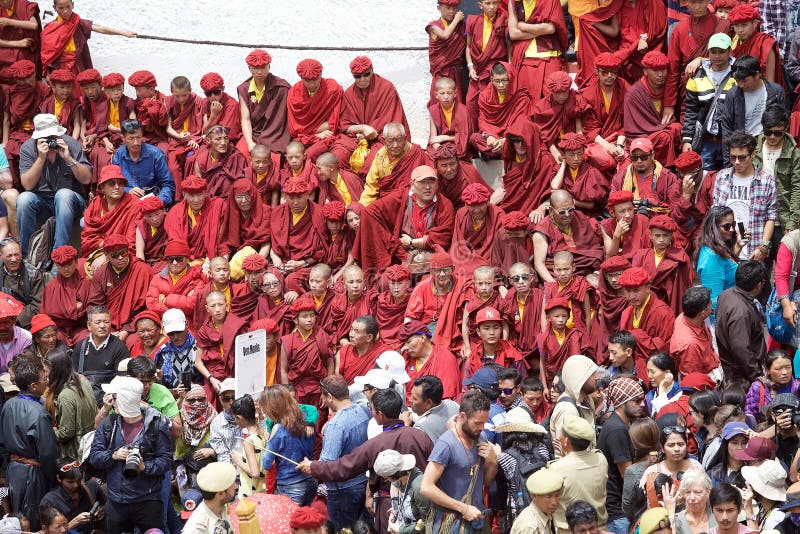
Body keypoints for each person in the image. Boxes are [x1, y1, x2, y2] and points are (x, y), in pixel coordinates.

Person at [297, 388, 434, 534]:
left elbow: (344, 467)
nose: (371, 412)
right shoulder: (420, 436)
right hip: (425, 501)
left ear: (379, 414)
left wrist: (314, 467)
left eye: (372, 409)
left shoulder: (376, 444)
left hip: (389, 505)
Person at [89, 376, 172, 532]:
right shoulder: (108, 424)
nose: (111, 401)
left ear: (124, 400)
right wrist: (113, 455)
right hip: (116, 502)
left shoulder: (156, 425)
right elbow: (95, 457)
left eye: (114, 397)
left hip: (148, 501)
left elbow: (166, 460)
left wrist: (144, 466)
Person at [352, 165, 454, 278]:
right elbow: (370, 212)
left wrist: (411, 242)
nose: (428, 187)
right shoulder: (402, 196)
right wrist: (390, 240)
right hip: (405, 254)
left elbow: (443, 237)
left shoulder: (445, 204)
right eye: (422, 183)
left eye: (432, 182)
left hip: (431, 254)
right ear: (412, 185)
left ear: (437, 184)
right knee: (386, 282)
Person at [420, 390, 497, 533]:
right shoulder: (446, 444)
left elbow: (484, 482)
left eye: (484, 423)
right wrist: (463, 508)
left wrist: (493, 461)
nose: (481, 428)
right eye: (478, 423)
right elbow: (426, 487)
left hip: (476, 521)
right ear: (462, 416)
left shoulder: (481, 438)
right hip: (451, 523)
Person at [17, 113, 91, 255]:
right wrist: (40, 157)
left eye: (53, 137)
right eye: (46, 138)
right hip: (42, 201)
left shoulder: (71, 144)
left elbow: (87, 179)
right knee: (24, 199)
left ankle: (60, 255)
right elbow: (27, 185)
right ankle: (28, 258)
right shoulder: (28, 148)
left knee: (62, 194)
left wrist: (69, 159)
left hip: (71, 202)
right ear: (38, 137)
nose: (51, 141)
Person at [0, 356, 58, 530]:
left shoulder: (8, 405)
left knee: (18, 518)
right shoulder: (39, 413)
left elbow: (1, 442)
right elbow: (47, 453)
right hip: (32, 474)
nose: (46, 382)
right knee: (32, 520)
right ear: (33, 386)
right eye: (44, 379)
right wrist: (52, 477)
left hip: (13, 470)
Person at [330, 55, 410, 173]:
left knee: (370, 166)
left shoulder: (386, 88)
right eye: (357, 76)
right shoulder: (349, 93)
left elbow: (391, 120)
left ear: (372, 71)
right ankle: (346, 188)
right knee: (337, 157)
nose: (362, 79)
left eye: (366, 74)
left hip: (380, 137)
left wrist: (370, 132)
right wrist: (362, 128)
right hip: (356, 137)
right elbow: (344, 125)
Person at [713, 130, 777, 261]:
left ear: (753, 155)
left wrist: (763, 247)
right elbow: (715, 213)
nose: (736, 162)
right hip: (725, 250)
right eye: (733, 157)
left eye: (742, 157)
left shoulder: (766, 180)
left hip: (754, 250)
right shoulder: (722, 177)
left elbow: (771, 217)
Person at [318, 374, 370, 530]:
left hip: (344, 491)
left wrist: (312, 467)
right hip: (364, 483)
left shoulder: (336, 425)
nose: (324, 402)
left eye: (324, 397)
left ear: (330, 396)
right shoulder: (365, 410)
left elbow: (326, 465)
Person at [597, 377, 646, 534]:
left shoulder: (622, 424)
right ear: (623, 402)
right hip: (618, 511)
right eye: (637, 401)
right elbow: (628, 476)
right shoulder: (616, 430)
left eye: (643, 400)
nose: (643, 404)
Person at [681, 33, 735, 171]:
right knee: (703, 181)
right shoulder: (697, 76)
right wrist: (687, 139)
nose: (717, 56)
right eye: (713, 52)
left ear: (729, 51)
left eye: (722, 52)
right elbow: (691, 110)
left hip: (731, 141)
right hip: (706, 141)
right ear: (708, 52)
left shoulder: (739, 73)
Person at [549, 415, 609, 534]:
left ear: (566, 441)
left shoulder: (556, 468)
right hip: (598, 529)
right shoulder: (601, 459)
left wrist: (564, 456)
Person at [259, 385, 317, 505]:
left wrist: (267, 442)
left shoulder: (279, 429)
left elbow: (266, 463)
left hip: (290, 486)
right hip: (310, 480)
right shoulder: (307, 419)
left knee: (291, 523)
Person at [85, 234, 152, 338]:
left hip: (135, 325)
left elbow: (147, 306)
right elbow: (94, 304)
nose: (120, 258)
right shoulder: (101, 273)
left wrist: (127, 330)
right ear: (106, 256)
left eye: (123, 253)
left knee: (133, 342)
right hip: (107, 325)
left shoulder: (142, 270)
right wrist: (103, 328)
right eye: (114, 255)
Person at [532, 189, 606, 281]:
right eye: (562, 212)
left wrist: (596, 273)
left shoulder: (580, 217)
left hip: (586, 274)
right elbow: (539, 264)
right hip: (559, 277)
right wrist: (554, 285)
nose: (567, 215)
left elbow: (594, 250)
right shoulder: (543, 229)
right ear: (551, 211)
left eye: (570, 210)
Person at [623, 52, 682, 166]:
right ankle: (667, 169)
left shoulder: (669, 89)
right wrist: (661, 130)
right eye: (656, 71)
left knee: (677, 128)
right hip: (642, 136)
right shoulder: (634, 94)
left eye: (663, 70)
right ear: (645, 71)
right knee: (664, 137)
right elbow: (633, 130)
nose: (661, 74)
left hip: (662, 130)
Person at [715, 260, 767, 385]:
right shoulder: (741, 313)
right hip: (741, 372)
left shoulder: (726, 294)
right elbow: (740, 348)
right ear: (759, 285)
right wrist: (756, 375)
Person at [506, 0, 567, 104]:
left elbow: (551, 28)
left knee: (552, 100)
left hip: (549, 56)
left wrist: (524, 26)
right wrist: (541, 31)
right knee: (526, 101)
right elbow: (513, 34)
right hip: (524, 58)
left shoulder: (551, 1)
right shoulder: (513, 2)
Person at [720, 56, 785, 149]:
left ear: (757, 75)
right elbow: (726, 128)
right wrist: (729, 161)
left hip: (768, 146)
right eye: (737, 81)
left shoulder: (776, 92)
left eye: (745, 80)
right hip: (742, 147)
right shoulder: (732, 94)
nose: (741, 85)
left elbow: (783, 122)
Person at [79, 164, 141, 261]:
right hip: (97, 251)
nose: (117, 187)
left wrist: (109, 252)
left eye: (120, 183)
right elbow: (87, 237)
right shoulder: (96, 203)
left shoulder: (133, 204)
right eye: (111, 183)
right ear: (102, 187)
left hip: (121, 254)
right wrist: (104, 246)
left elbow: (130, 240)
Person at [71, 305, 129, 406]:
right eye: (98, 322)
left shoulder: (119, 347)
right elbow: (73, 375)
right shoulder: (80, 346)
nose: (102, 326)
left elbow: (123, 381)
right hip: (84, 400)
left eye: (106, 322)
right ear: (89, 325)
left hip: (109, 401)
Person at [617, 267, 676, 364]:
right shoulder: (626, 313)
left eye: (636, 290)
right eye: (627, 291)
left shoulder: (663, 312)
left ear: (648, 288)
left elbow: (666, 348)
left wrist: (637, 336)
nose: (631, 296)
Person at [163, 175, 226, 266]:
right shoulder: (175, 213)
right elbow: (176, 244)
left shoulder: (217, 207)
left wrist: (209, 261)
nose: (196, 200)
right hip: (184, 261)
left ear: (205, 193)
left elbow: (222, 240)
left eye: (200, 195)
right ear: (184, 194)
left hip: (211, 261)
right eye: (191, 196)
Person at [111, 119, 175, 206]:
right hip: (127, 201)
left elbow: (168, 185)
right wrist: (127, 190)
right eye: (131, 139)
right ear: (123, 138)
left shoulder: (156, 155)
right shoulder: (118, 155)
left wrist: (157, 202)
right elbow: (113, 183)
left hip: (152, 201)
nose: (136, 143)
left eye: (138, 137)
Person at [238, 49, 290, 155]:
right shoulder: (244, 89)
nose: (259, 72)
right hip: (253, 133)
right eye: (255, 68)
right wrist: (249, 143)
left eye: (263, 67)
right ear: (249, 68)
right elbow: (245, 119)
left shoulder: (281, 87)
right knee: (240, 154)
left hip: (275, 134)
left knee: (272, 157)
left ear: (269, 67)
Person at [48, 348, 96, 459]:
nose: (45, 374)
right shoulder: (81, 379)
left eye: (46, 370)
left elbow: (66, 433)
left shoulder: (65, 396)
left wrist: (50, 432)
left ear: (55, 370)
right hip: (89, 442)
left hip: (76, 451)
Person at [549, 355, 599, 456]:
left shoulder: (587, 400)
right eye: (592, 374)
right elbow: (563, 454)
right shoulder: (567, 409)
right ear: (580, 378)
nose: (597, 377)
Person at [40, 459, 106, 534]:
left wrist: (101, 510)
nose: (76, 485)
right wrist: (74, 522)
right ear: (59, 478)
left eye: (78, 480)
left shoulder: (91, 485)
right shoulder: (49, 501)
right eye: (70, 482)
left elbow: (104, 503)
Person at [373, 449, 431, 534]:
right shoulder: (399, 482)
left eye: (386, 478)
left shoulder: (418, 487)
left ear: (395, 475)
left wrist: (400, 530)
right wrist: (397, 510)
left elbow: (428, 523)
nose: (386, 481)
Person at [669, 286, 720, 379]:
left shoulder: (685, 316)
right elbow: (692, 379)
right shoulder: (690, 345)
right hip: (706, 378)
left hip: (711, 361)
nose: (712, 304)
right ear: (702, 313)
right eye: (710, 304)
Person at [621, 418, 661, 526]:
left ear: (634, 443)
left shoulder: (632, 471)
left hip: (645, 524)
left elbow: (626, 505)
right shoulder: (666, 463)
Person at [192, 124, 247, 199]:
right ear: (208, 140)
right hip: (207, 201)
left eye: (226, 138)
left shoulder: (236, 157)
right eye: (218, 139)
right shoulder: (202, 159)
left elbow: (241, 183)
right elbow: (198, 185)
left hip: (229, 201)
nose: (223, 143)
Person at [0, 237, 44, 329]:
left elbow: (37, 305)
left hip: (25, 321)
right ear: (1, 256)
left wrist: (16, 321)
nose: (14, 259)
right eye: (9, 256)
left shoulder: (33, 274)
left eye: (16, 254)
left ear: (21, 254)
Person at [181, 462, 237, 534]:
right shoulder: (196, 530)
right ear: (220, 494)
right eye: (231, 484)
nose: (236, 486)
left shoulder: (221, 508)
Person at [745, 349, 799, 419]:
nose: (785, 372)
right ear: (767, 370)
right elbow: (750, 415)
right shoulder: (759, 387)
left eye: (788, 367)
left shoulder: (797, 387)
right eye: (778, 369)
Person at [334, 316, 388, 384]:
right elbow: (337, 379)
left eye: (356, 331)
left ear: (369, 337)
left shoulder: (384, 353)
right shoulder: (344, 352)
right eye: (351, 329)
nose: (351, 335)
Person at [229, 394, 264, 499]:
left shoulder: (249, 441)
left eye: (235, 418)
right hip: (262, 489)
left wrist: (238, 461)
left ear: (238, 417)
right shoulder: (264, 433)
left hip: (250, 493)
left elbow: (255, 473)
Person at [510, 468, 565, 534]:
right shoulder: (529, 527)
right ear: (534, 496)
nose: (554, 502)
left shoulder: (544, 514)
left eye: (557, 495)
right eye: (548, 497)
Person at [407, 375, 460, 442]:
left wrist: (405, 428)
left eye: (414, 398)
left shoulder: (420, 428)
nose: (410, 399)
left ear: (428, 403)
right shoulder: (453, 404)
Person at [740, 458, 787, 530]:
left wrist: (748, 508)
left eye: (751, 482)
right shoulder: (766, 507)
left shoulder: (774, 520)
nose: (747, 483)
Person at [206, 378, 239, 463]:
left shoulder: (252, 415)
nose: (231, 402)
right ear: (220, 400)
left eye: (234, 397)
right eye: (226, 399)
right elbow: (222, 453)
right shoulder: (216, 423)